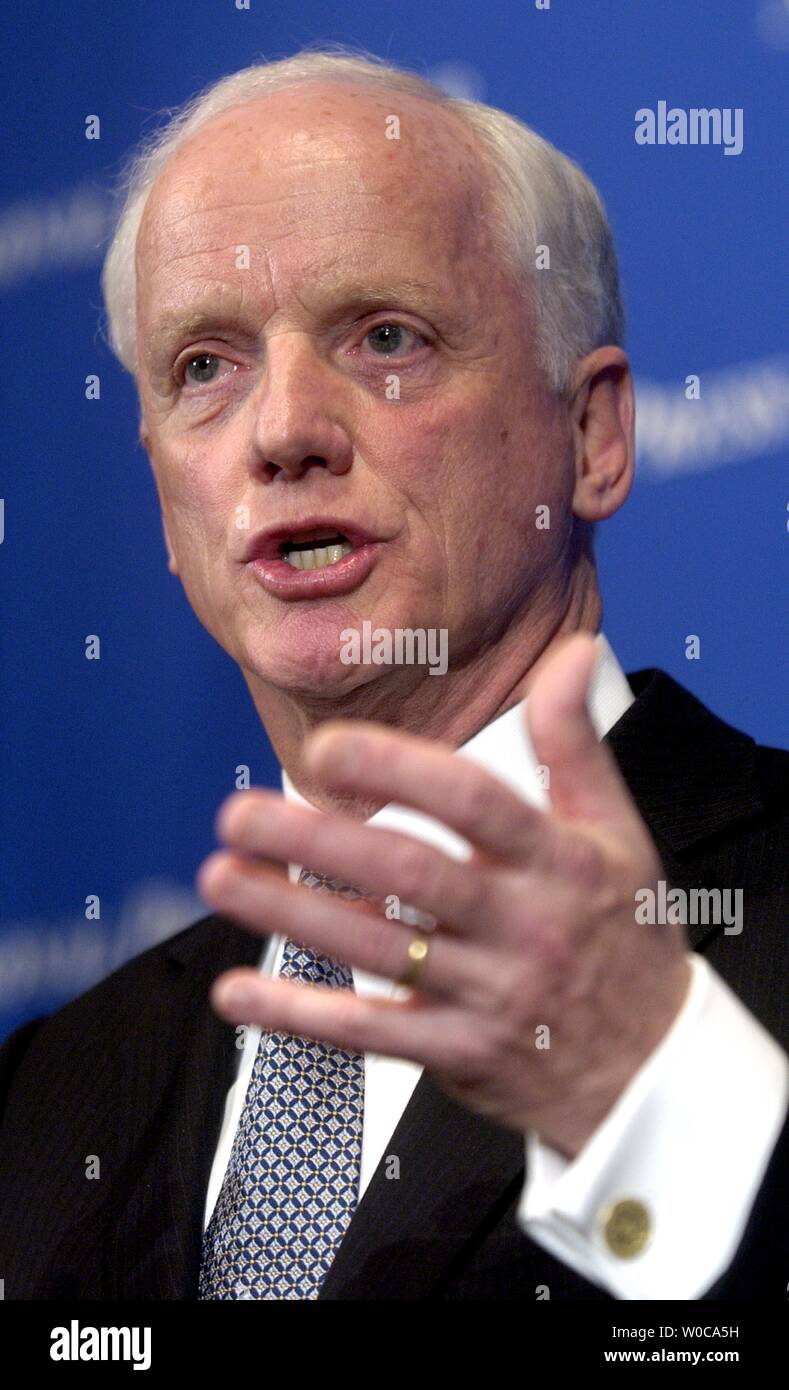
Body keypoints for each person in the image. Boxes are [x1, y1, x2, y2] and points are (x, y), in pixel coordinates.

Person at [0, 49, 786, 1302]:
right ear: (161, 494)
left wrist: (664, 1114)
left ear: (590, 436)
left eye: (386, 338)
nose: (282, 431)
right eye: (206, 365)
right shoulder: (51, 1095)